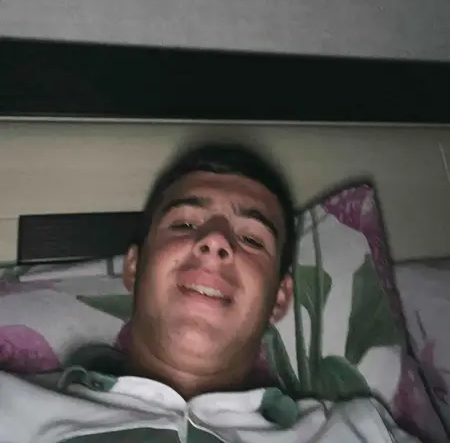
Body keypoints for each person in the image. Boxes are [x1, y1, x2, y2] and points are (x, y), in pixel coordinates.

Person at [0, 142, 421, 442]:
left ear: (279, 298)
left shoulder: (358, 432)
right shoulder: (13, 408)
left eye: (252, 239)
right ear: (134, 267)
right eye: (184, 224)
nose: (215, 241)